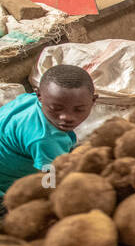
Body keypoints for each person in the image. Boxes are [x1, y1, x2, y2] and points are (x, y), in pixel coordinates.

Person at [0, 66, 96, 199]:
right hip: (6, 189)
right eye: (56, 108)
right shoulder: (45, 139)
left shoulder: (29, 99)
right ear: (39, 95)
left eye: (78, 110)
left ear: (93, 101)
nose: (66, 117)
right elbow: (48, 184)